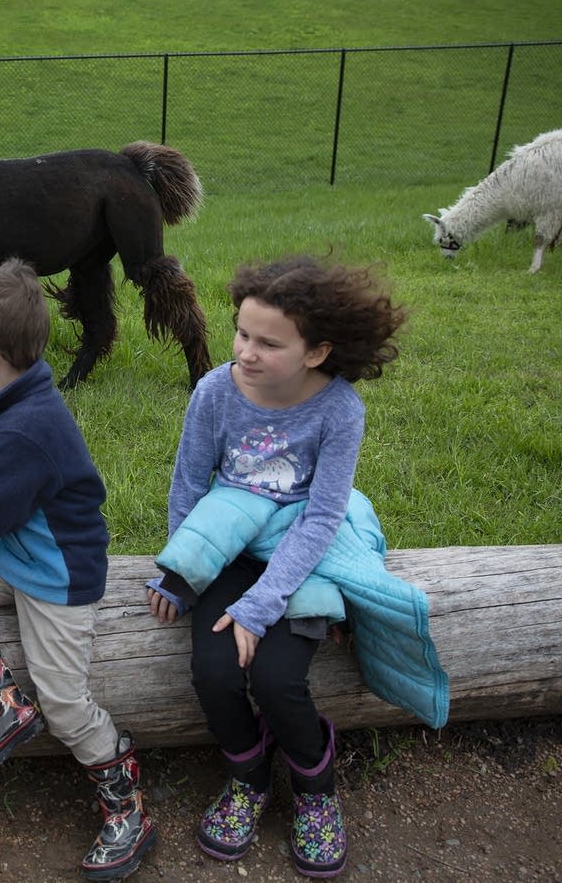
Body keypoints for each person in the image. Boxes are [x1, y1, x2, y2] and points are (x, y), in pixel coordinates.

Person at [146, 255, 410, 878]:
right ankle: (249, 776)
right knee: (213, 672)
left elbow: (322, 517)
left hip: (298, 551)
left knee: (277, 679)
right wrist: (184, 573)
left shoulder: (339, 409)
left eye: (269, 342)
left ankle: (316, 794)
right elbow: (188, 486)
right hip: (229, 542)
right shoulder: (215, 391)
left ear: (316, 352)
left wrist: (262, 606)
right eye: (242, 333)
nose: (246, 351)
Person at [0, 260, 156, 882]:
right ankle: (4, 705)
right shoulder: (6, 395)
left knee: (66, 701)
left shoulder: (28, 426)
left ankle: (128, 807)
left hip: (57, 577)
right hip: (11, 551)